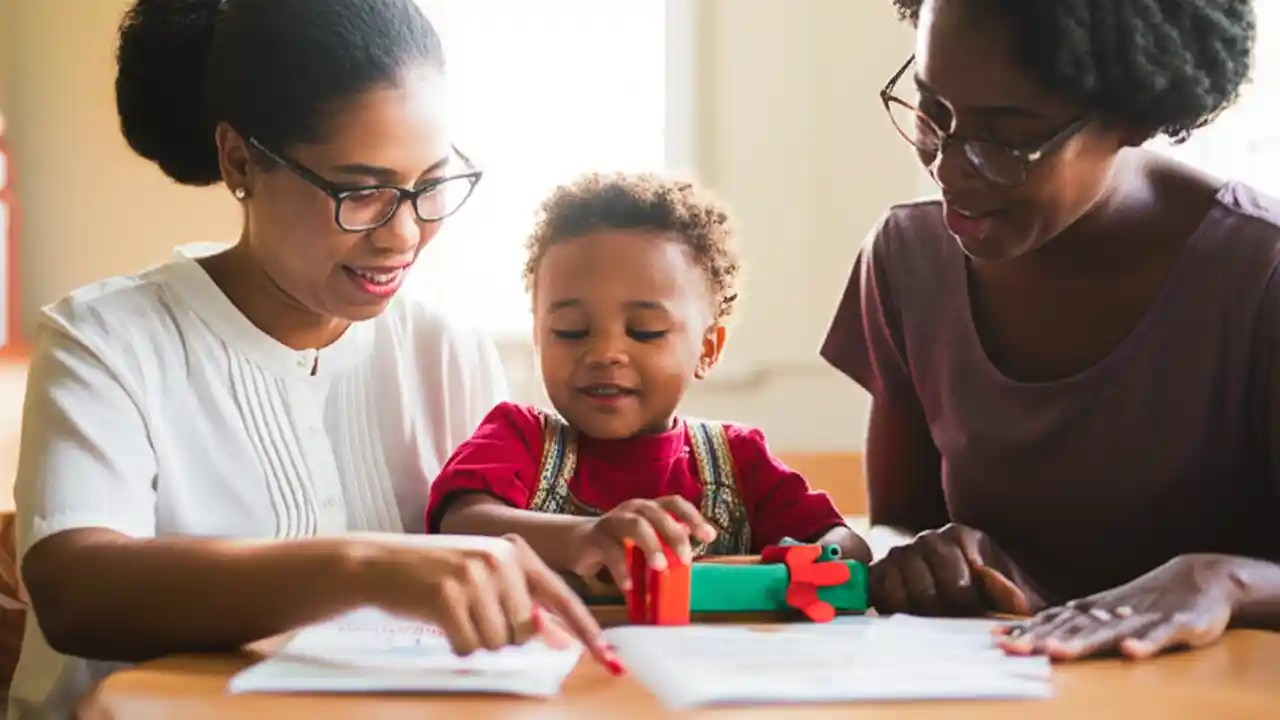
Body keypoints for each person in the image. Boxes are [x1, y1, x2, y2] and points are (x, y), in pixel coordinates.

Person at [10, 1, 613, 717]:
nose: (404, 235)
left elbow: (504, 561)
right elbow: (75, 593)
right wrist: (368, 567)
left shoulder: (443, 349)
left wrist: (586, 540)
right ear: (240, 161)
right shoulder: (108, 339)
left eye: (429, 187)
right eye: (362, 192)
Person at [823, 0, 1279, 660]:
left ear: (1135, 117)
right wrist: (927, 557)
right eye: (933, 111)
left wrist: (1222, 580)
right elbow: (898, 521)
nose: (949, 168)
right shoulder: (907, 259)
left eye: (1008, 137)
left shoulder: (1258, 276)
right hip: (1000, 689)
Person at [426, 173, 871, 590]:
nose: (604, 353)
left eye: (644, 331)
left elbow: (847, 545)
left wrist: (817, 556)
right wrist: (582, 537)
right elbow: (463, 524)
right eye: (571, 331)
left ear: (708, 349)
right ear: (538, 336)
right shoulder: (519, 438)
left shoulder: (740, 461)